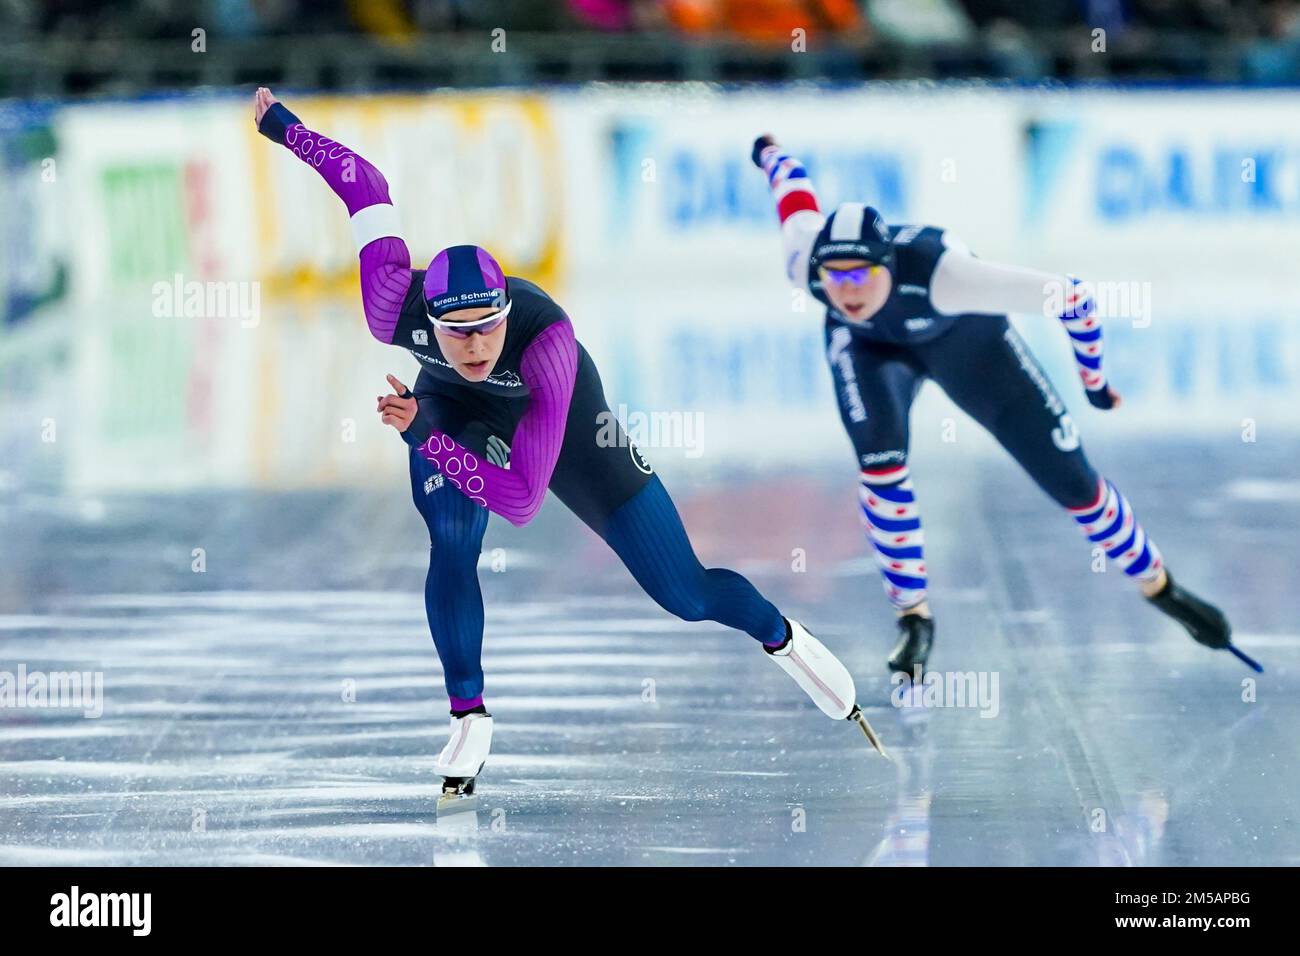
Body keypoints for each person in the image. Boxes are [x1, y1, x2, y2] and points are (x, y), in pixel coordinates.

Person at [250, 88, 865, 800]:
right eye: (457, 332)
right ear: (430, 322)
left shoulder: (548, 342)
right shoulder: (391, 303)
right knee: (451, 537)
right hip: (452, 408)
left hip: (571, 430)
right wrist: (284, 127)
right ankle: (468, 713)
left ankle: (782, 637)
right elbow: (364, 185)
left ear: (508, 308)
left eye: (488, 326)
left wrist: (418, 431)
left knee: (685, 593)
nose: (475, 344)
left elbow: (519, 499)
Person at [751, 134, 1234, 677]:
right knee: (881, 466)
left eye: (862, 274)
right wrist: (769, 150)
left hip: (969, 344)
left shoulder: (949, 277)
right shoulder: (804, 263)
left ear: (890, 265)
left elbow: (1074, 299)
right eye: (834, 276)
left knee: (1076, 485)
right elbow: (792, 193)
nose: (848, 290)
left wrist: (1094, 384)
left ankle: (1159, 585)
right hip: (871, 351)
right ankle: (914, 618)